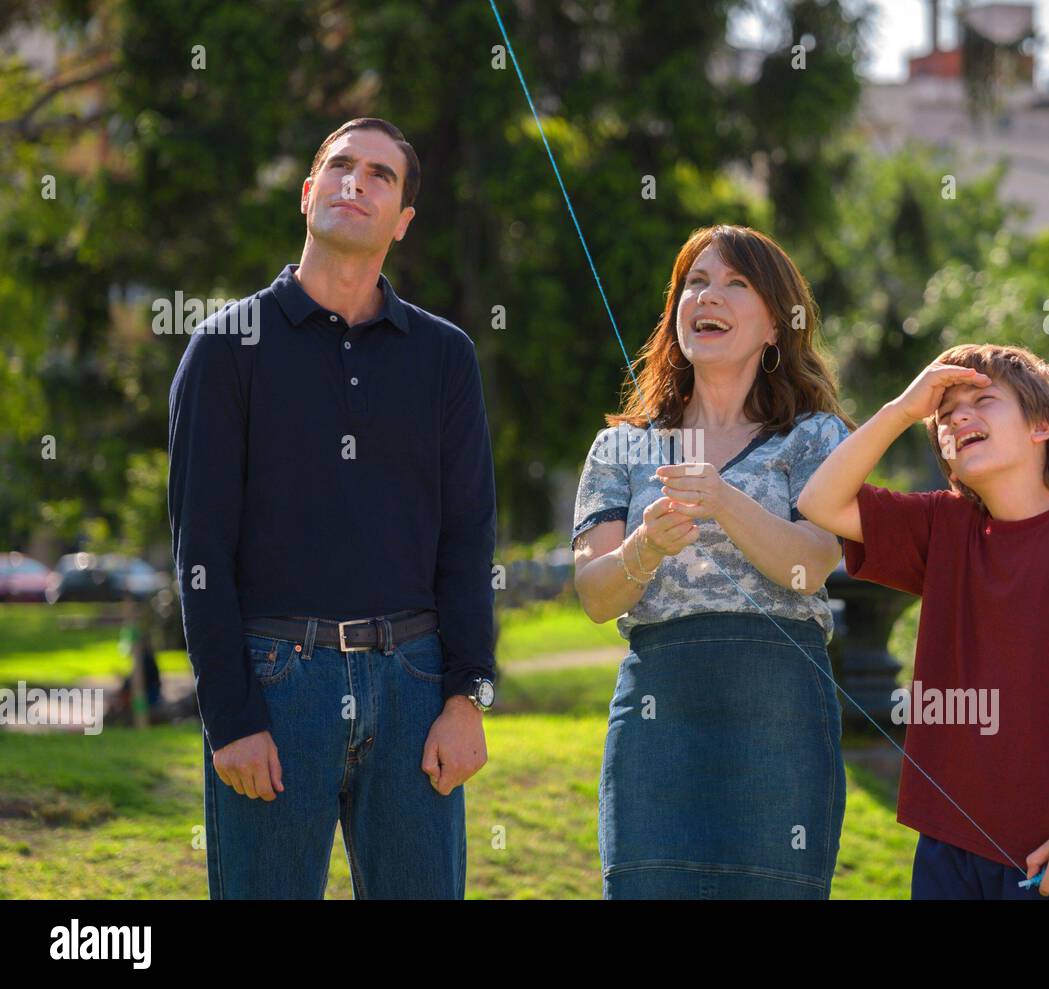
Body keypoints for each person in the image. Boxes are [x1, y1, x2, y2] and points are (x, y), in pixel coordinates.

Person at [167, 118, 497, 899]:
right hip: (276, 685)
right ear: (308, 193)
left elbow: (469, 534)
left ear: (403, 221)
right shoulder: (224, 347)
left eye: (381, 175)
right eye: (340, 166)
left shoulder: (445, 355)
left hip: (415, 685)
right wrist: (230, 714)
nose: (357, 182)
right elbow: (200, 552)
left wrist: (466, 694)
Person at [797, 343, 1049, 899]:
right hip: (946, 846)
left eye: (983, 400)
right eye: (945, 413)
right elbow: (820, 500)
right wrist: (904, 409)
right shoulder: (941, 527)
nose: (958, 417)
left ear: (1041, 425)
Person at [572, 224, 856, 899]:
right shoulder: (621, 449)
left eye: (736, 283)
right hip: (656, 706)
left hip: (779, 702)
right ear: (676, 313)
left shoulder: (818, 436)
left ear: (776, 325)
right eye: (696, 282)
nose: (710, 295)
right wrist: (644, 548)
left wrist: (723, 500)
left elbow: (810, 566)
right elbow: (594, 593)